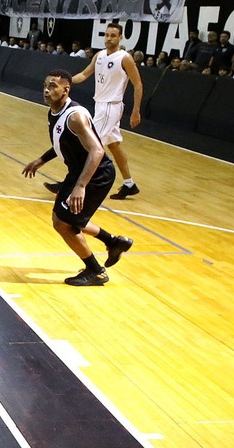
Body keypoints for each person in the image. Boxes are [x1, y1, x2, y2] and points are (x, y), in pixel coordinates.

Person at [22, 70, 135, 286]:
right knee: (66, 219)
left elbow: (96, 151)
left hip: (95, 174)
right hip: (78, 172)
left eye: (53, 86)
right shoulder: (55, 111)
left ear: (66, 89)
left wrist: (81, 186)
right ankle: (114, 242)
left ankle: (96, 271)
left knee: (63, 223)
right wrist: (42, 160)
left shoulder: (75, 117)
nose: (47, 89)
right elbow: (64, 142)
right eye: (46, 85)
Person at [49, 23, 143, 200]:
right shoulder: (99, 55)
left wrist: (136, 110)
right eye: (107, 35)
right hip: (100, 105)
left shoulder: (125, 58)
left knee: (88, 147)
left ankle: (70, 185)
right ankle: (129, 184)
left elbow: (138, 84)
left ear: (121, 37)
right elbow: (84, 74)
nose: (109, 38)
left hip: (111, 106)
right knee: (114, 145)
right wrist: (66, 81)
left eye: (113, 35)